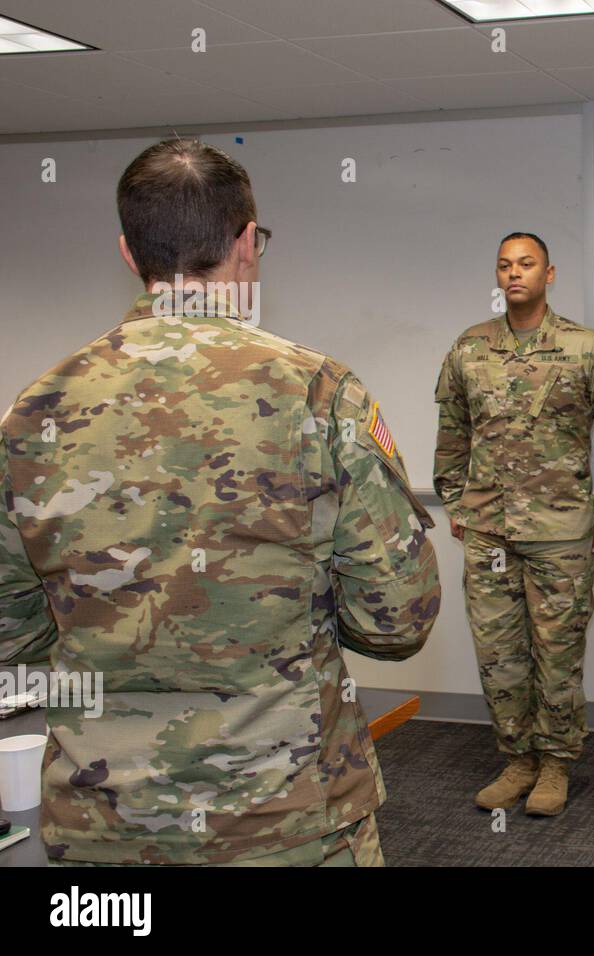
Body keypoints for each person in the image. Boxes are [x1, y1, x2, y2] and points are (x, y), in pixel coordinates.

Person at [0, 138, 440, 866]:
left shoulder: (34, 411)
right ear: (244, 243)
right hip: (285, 815)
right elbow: (399, 618)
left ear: (126, 252)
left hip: (106, 822)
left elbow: (11, 634)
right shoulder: (317, 393)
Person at [434, 233, 594, 816]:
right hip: (489, 530)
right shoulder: (469, 348)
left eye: (526, 264)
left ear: (550, 274)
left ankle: (555, 765)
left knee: (557, 651)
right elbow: (452, 430)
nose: (514, 274)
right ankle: (517, 757)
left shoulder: (585, 347)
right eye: (504, 265)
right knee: (498, 651)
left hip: (559, 531)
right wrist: (454, 501)